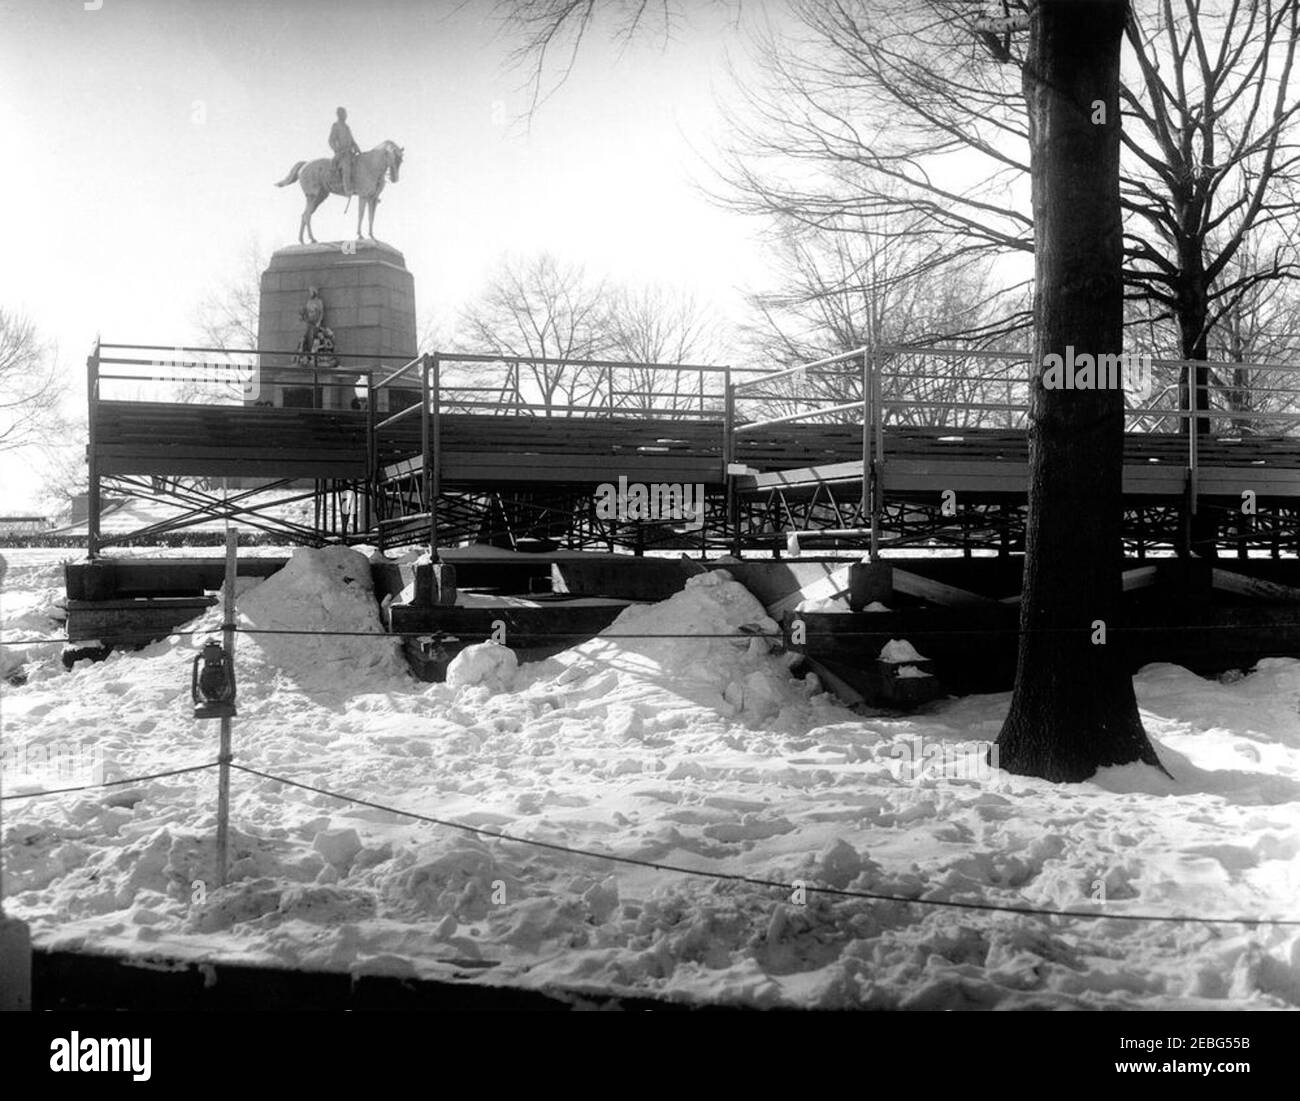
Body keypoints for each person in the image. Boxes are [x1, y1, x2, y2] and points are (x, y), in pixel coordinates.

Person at [329, 107, 361, 195]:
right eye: (343, 113)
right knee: (346, 167)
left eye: (345, 114)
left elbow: (352, 140)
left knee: (361, 164)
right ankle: (347, 189)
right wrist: (337, 150)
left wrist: (357, 149)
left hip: (350, 152)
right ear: (339, 115)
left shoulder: (347, 127)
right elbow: (331, 140)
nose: (345, 115)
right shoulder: (336, 126)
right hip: (342, 154)